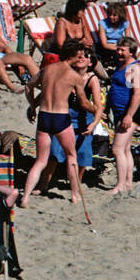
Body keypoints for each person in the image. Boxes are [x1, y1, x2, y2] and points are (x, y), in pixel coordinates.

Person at [21, 40, 98, 206]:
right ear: (73, 56)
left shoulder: (47, 69)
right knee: (71, 156)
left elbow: (28, 86)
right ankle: (75, 195)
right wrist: (97, 110)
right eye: (79, 55)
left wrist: (32, 106)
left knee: (40, 161)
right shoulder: (74, 76)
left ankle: (25, 197)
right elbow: (84, 103)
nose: (81, 57)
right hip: (60, 117)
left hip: (44, 116)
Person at [107, 37, 140, 197]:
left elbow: (137, 94)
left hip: (129, 113)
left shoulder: (134, 69)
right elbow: (115, 88)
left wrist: (128, 115)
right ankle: (128, 183)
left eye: (123, 50)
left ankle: (120, 185)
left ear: (131, 52)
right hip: (119, 112)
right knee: (125, 148)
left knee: (116, 149)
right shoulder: (121, 65)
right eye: (119, 49)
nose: (119, 52)